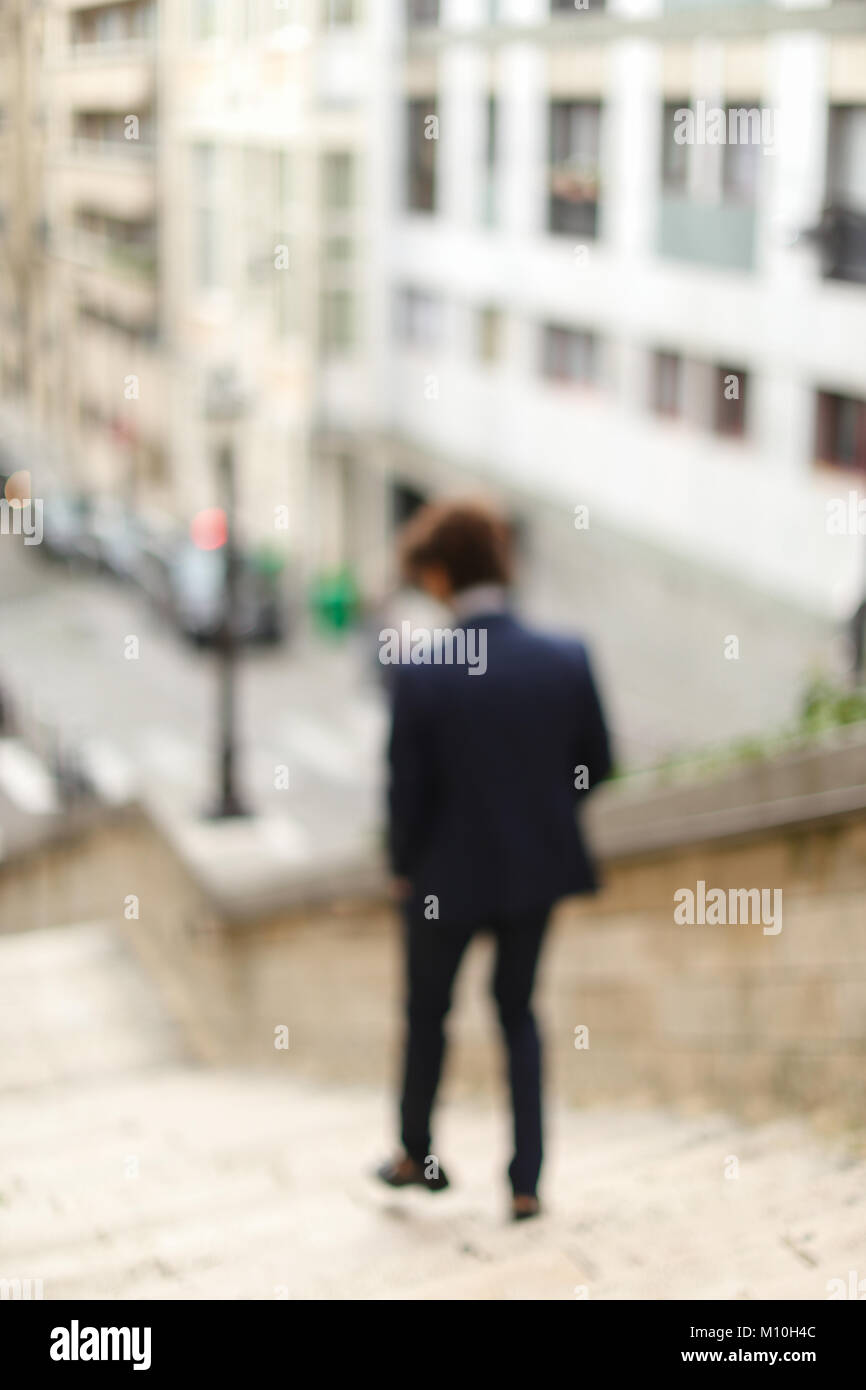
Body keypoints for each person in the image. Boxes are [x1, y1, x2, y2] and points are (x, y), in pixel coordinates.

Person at [376, 498, 613, 1220]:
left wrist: (403, 863)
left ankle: (418, 1153)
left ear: (444, 574)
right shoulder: (565, 658)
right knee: (518, 1012)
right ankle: (526, 1180)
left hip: (442, 881)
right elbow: (597, 766)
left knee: (428, 1014)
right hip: (532, 872)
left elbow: (404, 793)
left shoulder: (421, 674)